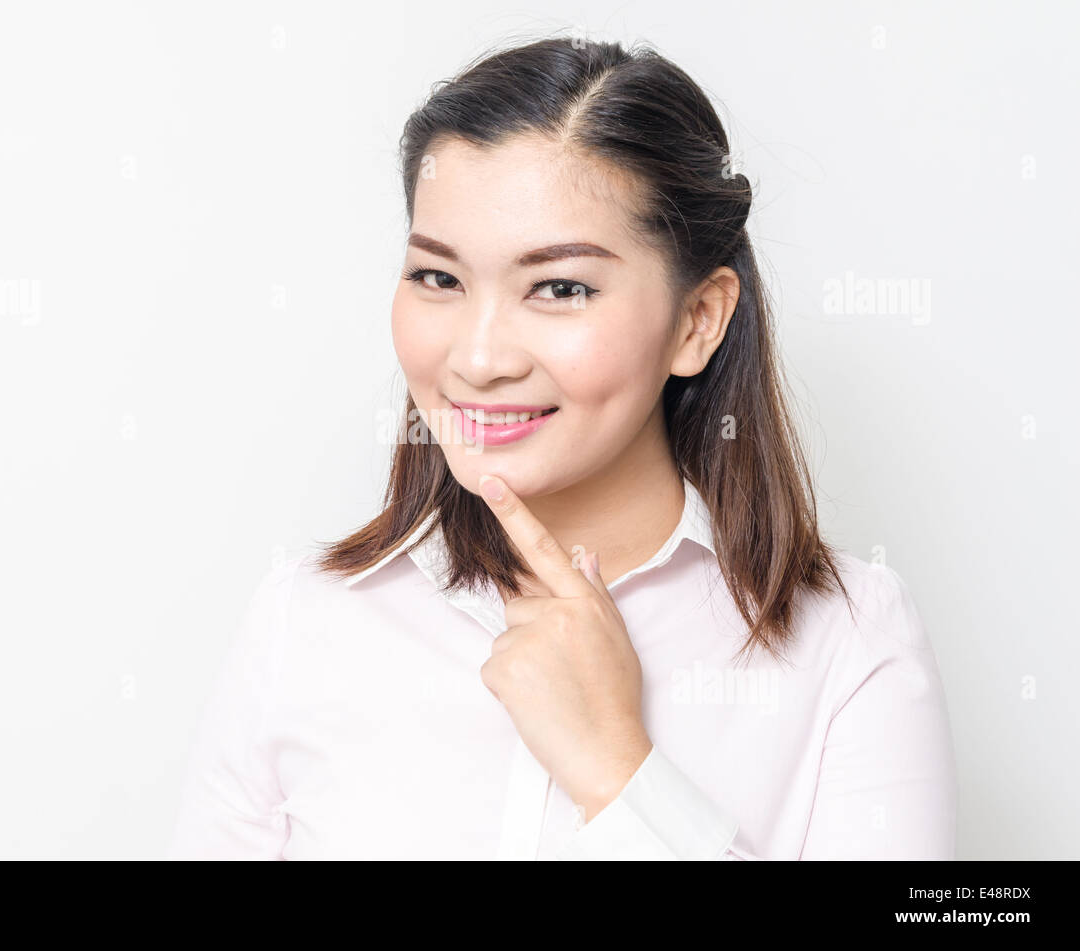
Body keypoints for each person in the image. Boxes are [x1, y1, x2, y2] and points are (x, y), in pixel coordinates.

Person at [167, 36, 957, 860]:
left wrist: (617, 769)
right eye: (439, 277)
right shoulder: (307, 621)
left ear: (698, 321)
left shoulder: (849, 645)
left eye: (560, 288)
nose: (477, 357)